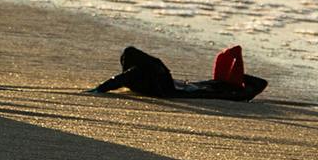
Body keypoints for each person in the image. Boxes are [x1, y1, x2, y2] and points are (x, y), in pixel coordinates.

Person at [90, 43, 267, 101]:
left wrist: (100, 89)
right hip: (166, 88)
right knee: (131, 59)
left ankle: (101, 88)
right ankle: (102, 88)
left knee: (133, 56)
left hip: (168, 90)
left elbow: (235, 52)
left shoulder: (235, 90)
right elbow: (229, 56)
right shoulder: (230, 87)